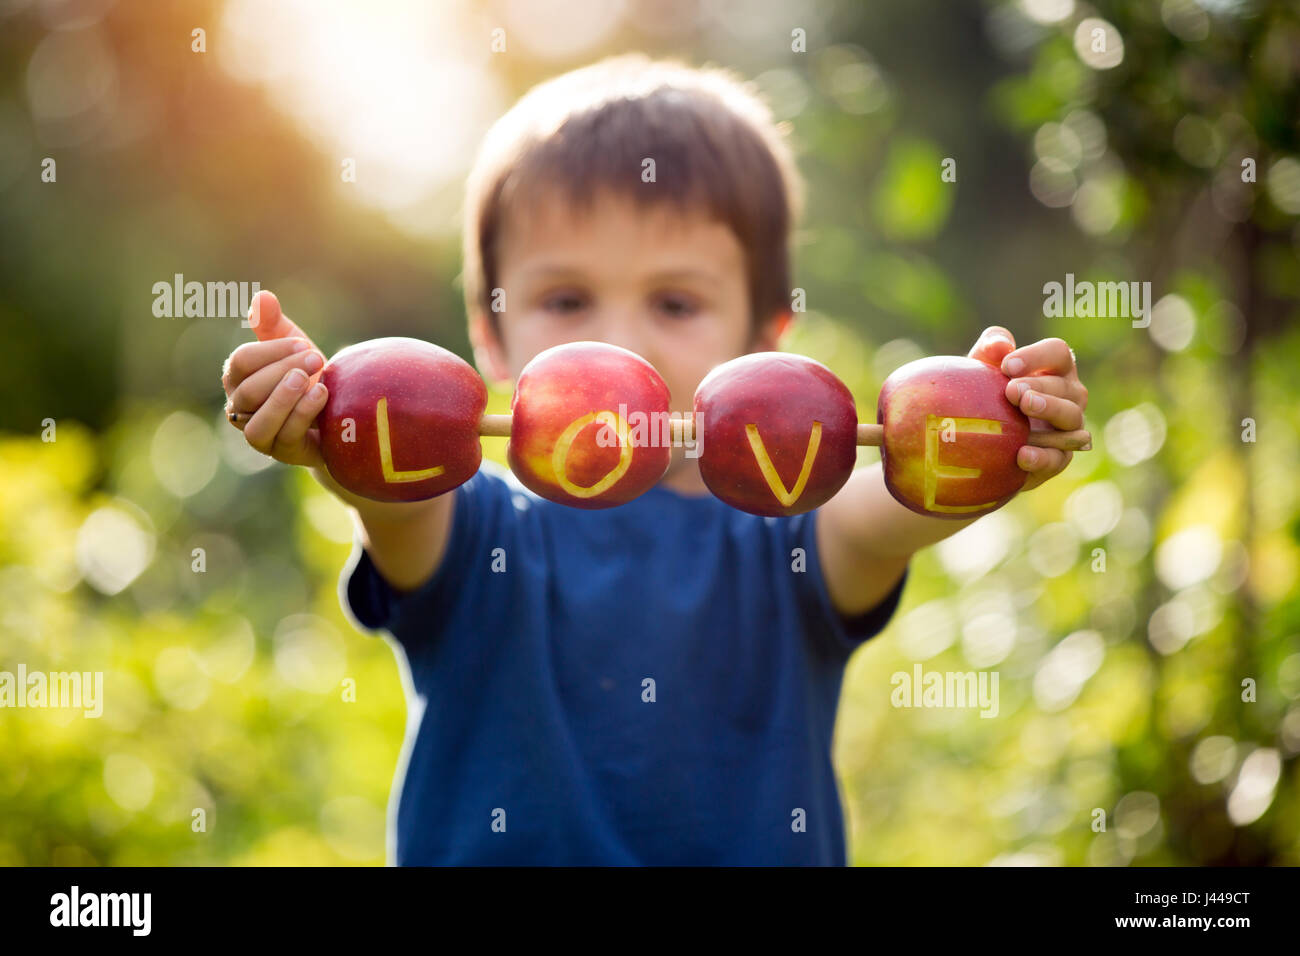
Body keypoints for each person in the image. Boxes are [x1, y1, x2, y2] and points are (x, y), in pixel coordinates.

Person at [219, 54, 1089, 865]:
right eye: (565, 299)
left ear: (764, 343)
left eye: (675, 303)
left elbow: (901, 500)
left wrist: (1000, 429)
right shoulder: (475, 530)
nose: (616, 341)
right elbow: (394, 497)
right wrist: (326, 427)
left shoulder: (789, 538)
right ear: (490, 336)